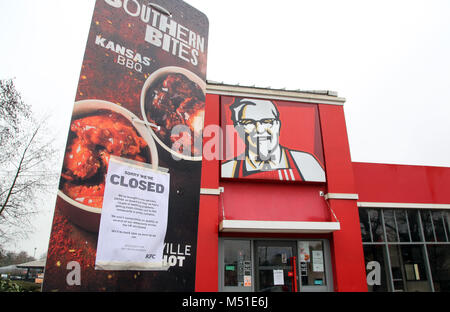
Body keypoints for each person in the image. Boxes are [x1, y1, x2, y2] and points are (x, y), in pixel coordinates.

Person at [221, 98, 326, 182]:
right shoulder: (228, 169)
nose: (260, 129)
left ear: (277, 125)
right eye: (249, 122)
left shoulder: (305, 163)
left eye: (267, 121)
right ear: (238, 129)